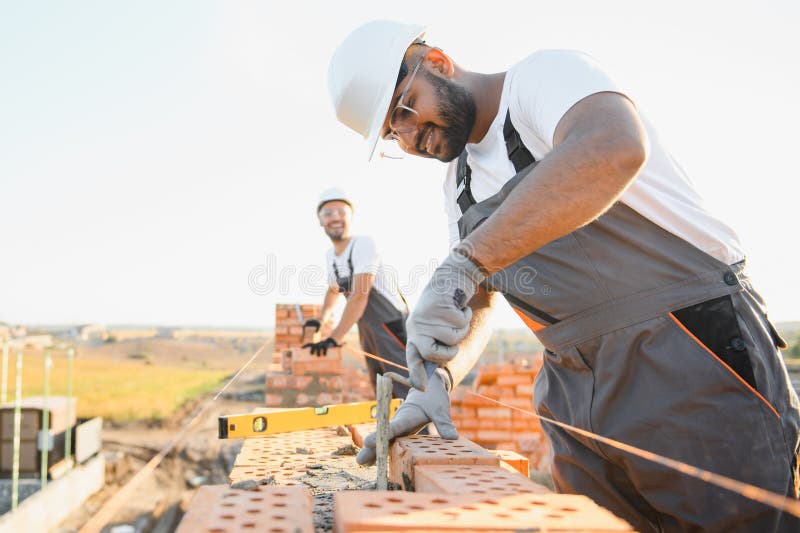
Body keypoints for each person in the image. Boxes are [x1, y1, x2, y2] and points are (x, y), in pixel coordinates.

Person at [327, 20, 800, 532]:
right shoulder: (457, 184)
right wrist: (437, 377)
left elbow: (612, 146)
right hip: (572, 387)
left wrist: (465, 264)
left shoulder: (541, 78)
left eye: (404, 108)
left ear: (437, 63)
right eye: (392, 134)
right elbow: (479, 298)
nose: (409, 136)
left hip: (683, 349)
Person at [302, 187, 410, 399]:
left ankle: (423, 433)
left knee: (405, 387)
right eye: (328, 213)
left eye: (341, 212)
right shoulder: (331, 256)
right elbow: (333, 290)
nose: (335, 218)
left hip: (391, 326)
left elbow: (360, 294)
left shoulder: (363, 244)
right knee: (382, 390)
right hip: (367, 327)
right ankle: (390, 433)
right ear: (320, 221)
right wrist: (320, 320)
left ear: (351, 217)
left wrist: (334, 338)